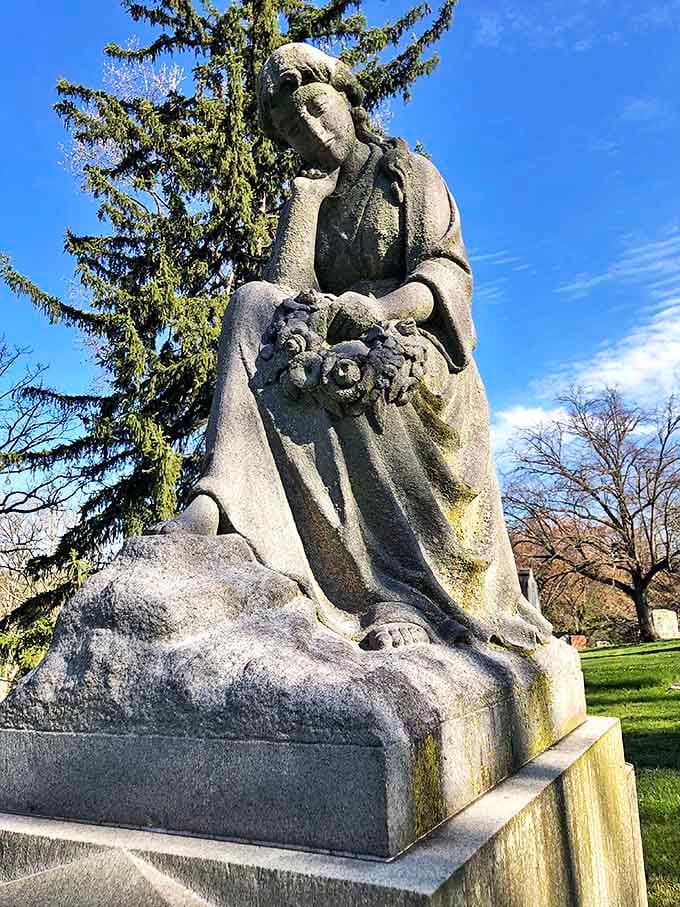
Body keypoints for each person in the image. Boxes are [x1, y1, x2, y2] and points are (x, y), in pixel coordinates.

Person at [153, 42, 551, 652]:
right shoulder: (311, 197)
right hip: (334, 340)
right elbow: (286, 297)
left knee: (361, 379)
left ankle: (400, 595)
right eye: (292, 129)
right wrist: (304, 207)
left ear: (346, 96)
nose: (310, 130)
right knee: (252, 302)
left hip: (418, 346)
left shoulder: (409, 176)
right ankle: (219, 498)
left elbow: (445, 275)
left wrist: (381, 309)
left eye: (315, 107)